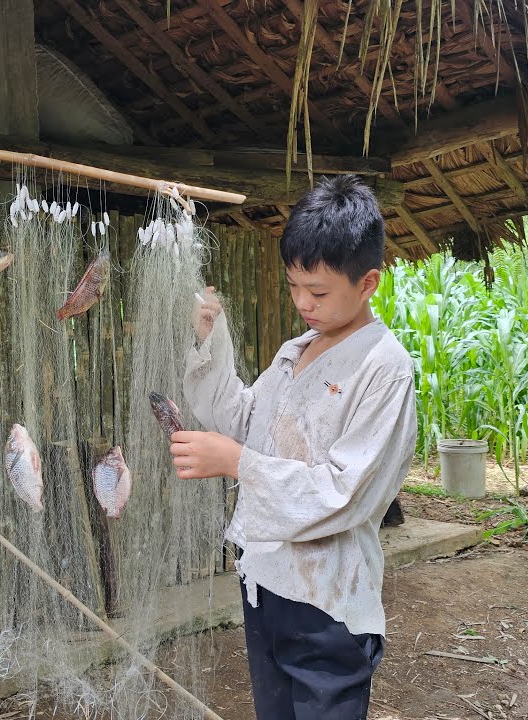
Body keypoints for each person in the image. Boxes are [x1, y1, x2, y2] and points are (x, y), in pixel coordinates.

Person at [170, 175, 417, 719]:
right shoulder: (294, 352)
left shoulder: (383, 368)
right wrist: (211, 337)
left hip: (328, 605)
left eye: (320, 292)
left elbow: (345, 493)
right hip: (266, 585)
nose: (303, 303)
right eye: (293, 287)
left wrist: (235, 464)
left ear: (368, 282)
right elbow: (241, 419)